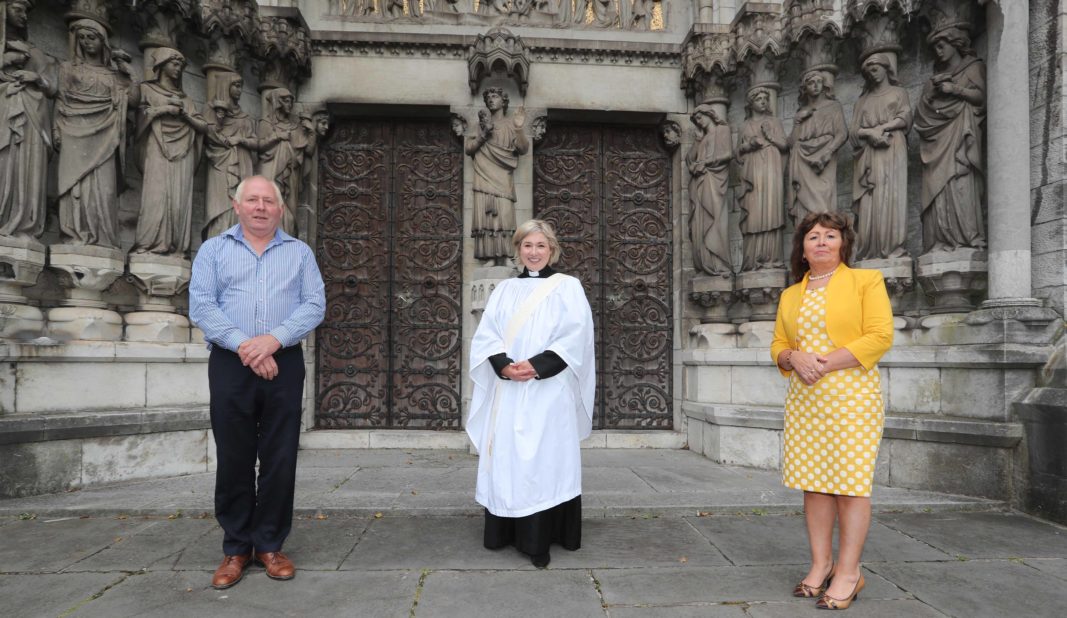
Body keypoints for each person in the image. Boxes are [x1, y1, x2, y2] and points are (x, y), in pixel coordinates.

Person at [189, 175, 326, 590]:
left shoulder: (300, 253)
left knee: (280, 456)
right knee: (234, 456)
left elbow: (315, 303)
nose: (261, 207)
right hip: (231, 363)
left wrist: (272, 341)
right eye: (253, 200)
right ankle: (236, 548)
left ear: (280, 209)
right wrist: (247, 346)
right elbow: (201, 304)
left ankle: (269, 544)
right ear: (237, 205)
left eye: (268, 201)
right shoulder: (213, 250)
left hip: (283, 361)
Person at [770, 212, 893, 610]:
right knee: (815, 481)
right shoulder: (791, 294)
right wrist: (791, 356)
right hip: (807, 400)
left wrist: (820, 363)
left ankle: (849, 572)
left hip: (852, 394)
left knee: (850, 483)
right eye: (812, 237)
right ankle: (821, 564)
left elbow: (879, 336)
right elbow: (778, 344)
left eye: (830, 235)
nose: (821, 241)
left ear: (843, 244)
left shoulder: (865, 281)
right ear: (802, 250)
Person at [466, 219, 595, 568]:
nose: (534, 252)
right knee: (509, 457)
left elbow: (576, 335)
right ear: (518, 249)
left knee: (544, 459)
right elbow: (488, 332)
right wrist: (503, 365)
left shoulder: (568, 287)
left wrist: (538, 365)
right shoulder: (505, 291)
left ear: (552, 249)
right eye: (527, 245)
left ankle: (541, 538)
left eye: (541, 246)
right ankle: (505, 530)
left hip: (549, 389)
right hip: (508, 389)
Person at [54, 17, 134, 248]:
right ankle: (75, 234)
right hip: (72, 133)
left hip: (106, 135)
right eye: (83, 38)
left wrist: (128, 76)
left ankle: (102, 237)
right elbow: (61, 100)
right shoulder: (68, 69)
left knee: (104, 189)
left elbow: (135, 100)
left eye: (92, 38)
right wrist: (55, 128)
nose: (88, 43)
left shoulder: (112, 75)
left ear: (103, 41)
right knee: (76, 188)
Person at [914, 27, 986, 253]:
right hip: (938, 143)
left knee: (961, 184)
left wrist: (954, 89)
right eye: (935, 47)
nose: (938, 51)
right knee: (939, 192)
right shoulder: (933, 81)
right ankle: (941, 240)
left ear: (956, 43)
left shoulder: (973, 68)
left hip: (961, 139)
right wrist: (934, 93)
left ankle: (968, 237)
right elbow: (920, 116)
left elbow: (980, 97)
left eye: (941, 45)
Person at [132, 48, 210, 256]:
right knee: (155, 197)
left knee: (178, 201)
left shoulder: (187, 100)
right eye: (174, 64)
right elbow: (136, 122)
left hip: (183, 154)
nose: (178, 69)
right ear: (161, 65)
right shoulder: (147, 90)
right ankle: (148, 243)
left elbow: (203, 127)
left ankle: (176, 247)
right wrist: (162, 110)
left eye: (181, 66)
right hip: (156, 148)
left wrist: (185, 115)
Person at [0, 0, 56, 241]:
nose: (24, 16)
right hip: (5, 114)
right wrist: (6, 61)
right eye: (18, 9)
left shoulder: (35, 53)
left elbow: (52, 86)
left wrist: (36, 78)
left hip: (32, 118)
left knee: (26, 168)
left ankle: (22, 223)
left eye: (26, 11)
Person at [850, 53, 912, 261]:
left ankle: (893, 247)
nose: (872, 74)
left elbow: (905, 117)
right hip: (869, 155)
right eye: (868, 72)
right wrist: (870, 134)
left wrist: (882, 128)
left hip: (893, 148)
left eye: (875, 69)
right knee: (871, 201)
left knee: (892, 196)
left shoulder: (898, 92)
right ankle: (870, 250)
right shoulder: (863, 101)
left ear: (886, 69)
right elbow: (853, 132)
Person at [467, 87, 528, 261]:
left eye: (495, 96)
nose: (491, 100)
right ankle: (488, 258)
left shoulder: (510, 125)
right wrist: (483, 135)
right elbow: (468, 148)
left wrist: (518, 128)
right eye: (488, 97)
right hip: (483, 177)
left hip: (503, 179)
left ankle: (506, 258)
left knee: (505, 219)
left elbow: (523, 149)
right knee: (486, 220)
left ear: (504, 101)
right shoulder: (479, 126)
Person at [736, 87, 788, 271]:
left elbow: (784, 145)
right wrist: (749, 145)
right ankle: (752, 260)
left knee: (771, 210)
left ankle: (772, 258)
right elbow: (738, 154)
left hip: (771, 171)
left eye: (766, 98)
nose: (763, 102)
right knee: (754, 213)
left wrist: (770, 137)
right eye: (759, 99)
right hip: (752, 172)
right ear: (751, 103)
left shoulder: (774, 122)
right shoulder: (744, 126)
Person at [787, 70, 848, 223]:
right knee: (804, 209)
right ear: (804, 88)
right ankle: (805, 241)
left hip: (824, 159)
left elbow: (842, 134)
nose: (815, 86)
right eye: (810, 82)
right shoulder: (801, 112)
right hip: (802, 159)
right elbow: (792, 143)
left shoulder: (833, 106)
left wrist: (828, 152)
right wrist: (797, 122)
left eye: (819, 82)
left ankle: (824, 239)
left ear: (824, 85)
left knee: (824, 206)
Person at [686, 103, 733, 276]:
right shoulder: (703, 138)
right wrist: (698, 141)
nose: (699, 122)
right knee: (701, 220)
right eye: (696, 120)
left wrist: (706, 162)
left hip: (715, 181)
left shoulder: (722, 130)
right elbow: (689, 159)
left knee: (715, 219)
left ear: (709, 114)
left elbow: (727, 154)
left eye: (700, 117)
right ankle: (706, 263)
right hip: (701, 181)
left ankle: (719, 263)